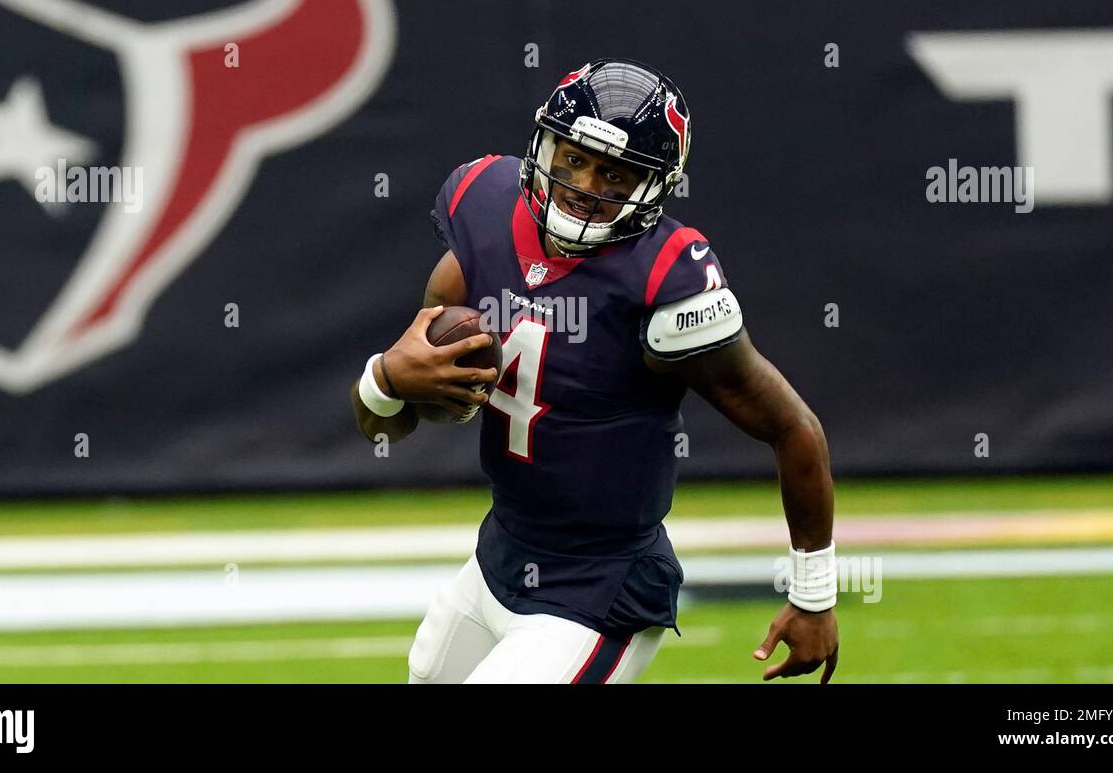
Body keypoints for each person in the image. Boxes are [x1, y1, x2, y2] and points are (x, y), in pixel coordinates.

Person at [351, 59, 839, 684]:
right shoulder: (483, 209)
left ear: (653, 186)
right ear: (544, 147)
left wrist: (815, 594)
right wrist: (386, 378)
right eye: (574, 158)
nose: (584, 183)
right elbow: (384, 426)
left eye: (614, 172)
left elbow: (792, 427)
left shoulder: (667, 277)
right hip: (499, 555)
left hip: (600, 586)